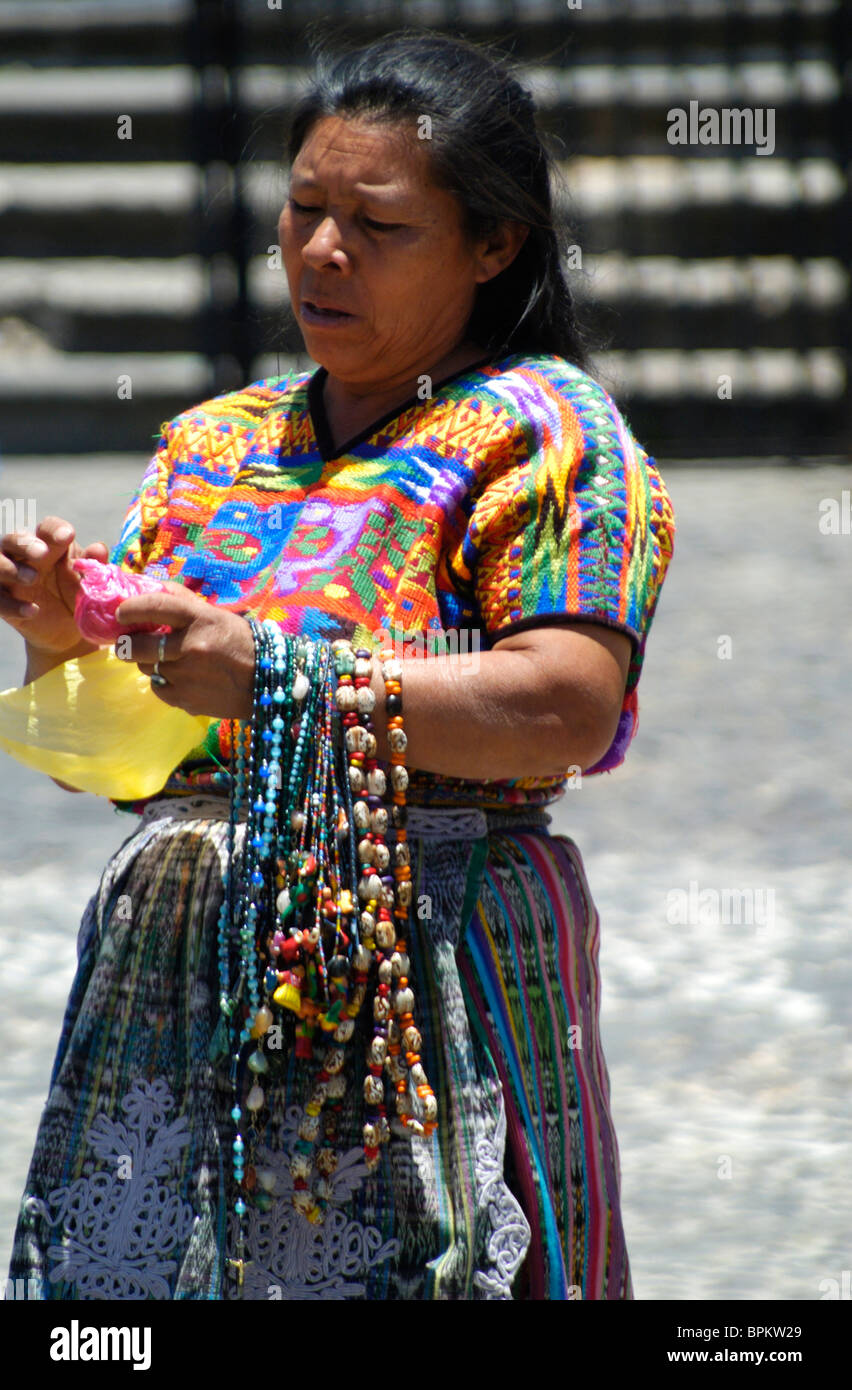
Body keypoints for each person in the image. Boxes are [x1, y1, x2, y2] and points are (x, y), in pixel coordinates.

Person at [0, 30, 674, 1300]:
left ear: (494, 244)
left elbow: (564, 706)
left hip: (432, 985)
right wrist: (56, 637)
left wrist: (272, 674)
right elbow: (137, 760)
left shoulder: (547, 435)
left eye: (377, 224)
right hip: (184, 998)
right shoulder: (214, 444)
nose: (322, 251)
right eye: (304, 210)